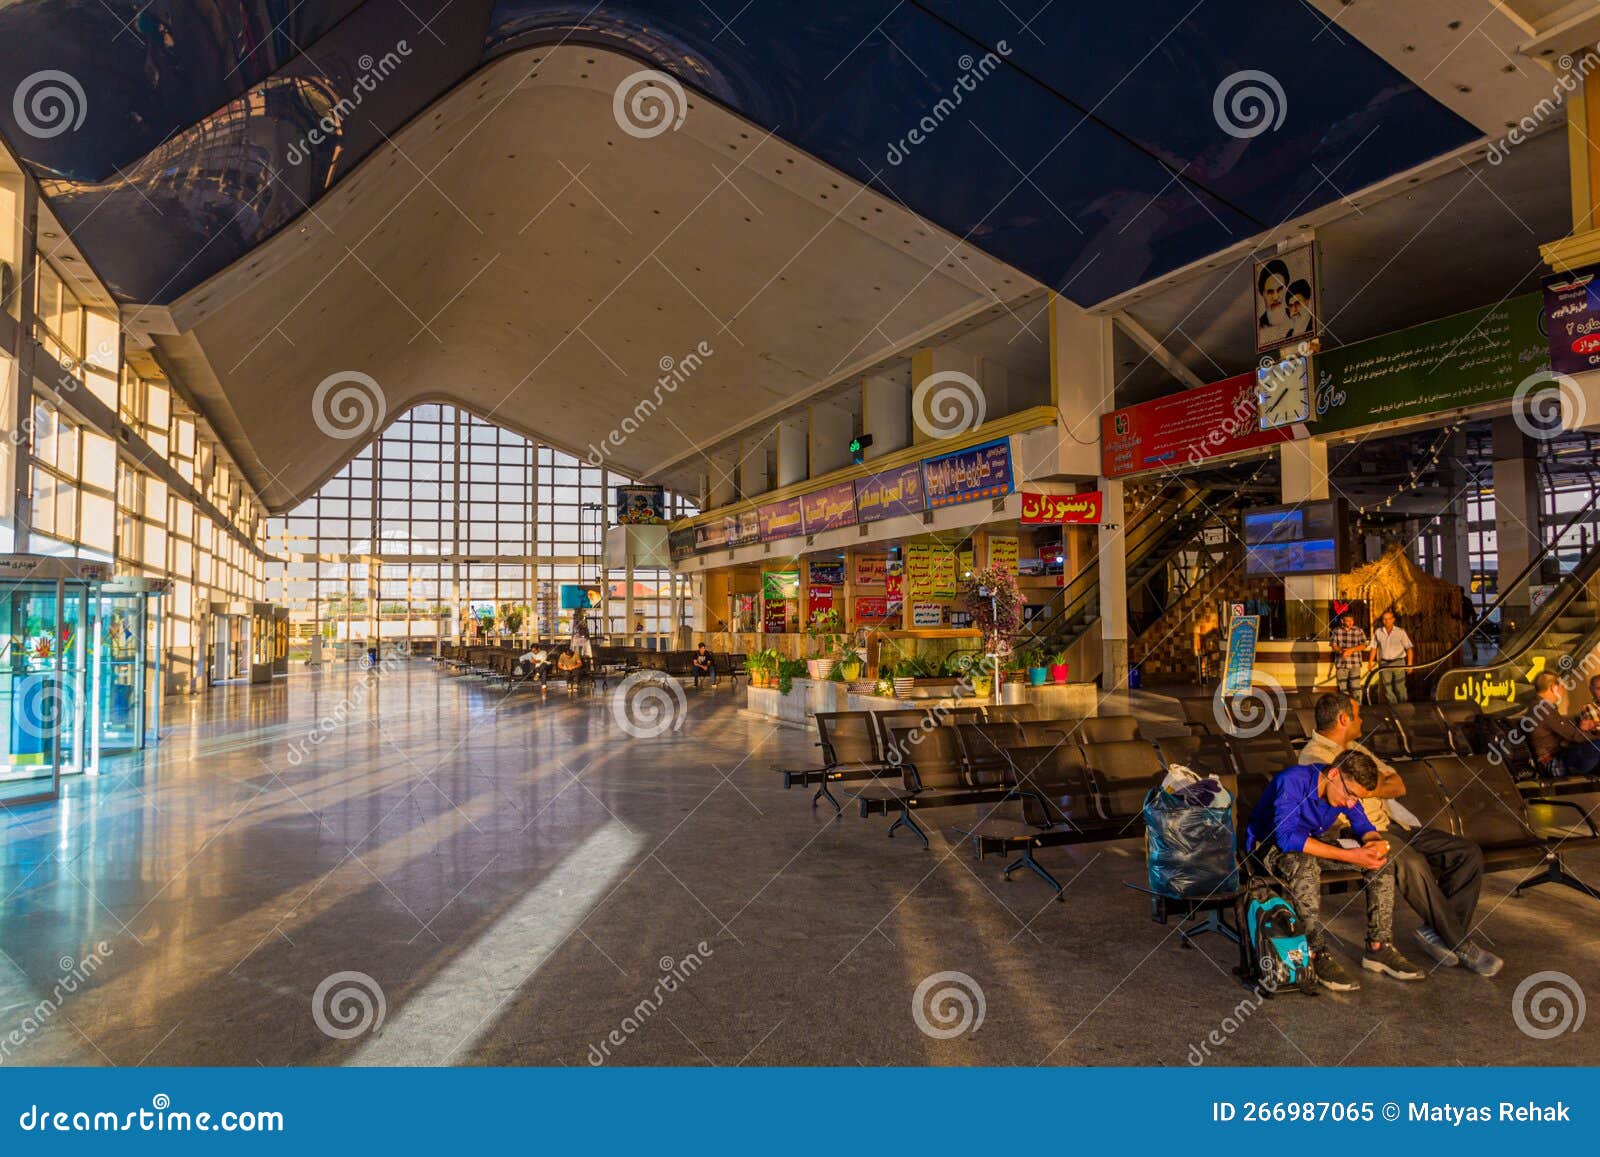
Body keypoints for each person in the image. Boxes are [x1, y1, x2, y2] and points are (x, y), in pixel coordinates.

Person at [1300, 694, 1500, 976]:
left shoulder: (1355, 747)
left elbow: (1399, 784)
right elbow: (1351, 802)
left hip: (1393, 825)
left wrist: (1368, 786)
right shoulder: (1314, 757)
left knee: (1466, 853)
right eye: (1357, 716)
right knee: (1412, 863)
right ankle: (1461, 945)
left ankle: (1438, 933)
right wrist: (1378, 784)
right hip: (1358, 832)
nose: (1361, 721)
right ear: (1344, 719)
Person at [1245, 749, 1422, 991]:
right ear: (1334, 774)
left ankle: (1378, 947)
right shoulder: (1293, 781)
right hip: (1268, 847)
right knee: (1304, 865)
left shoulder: (1343, 790)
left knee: (1381, 862)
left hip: (1310, 843)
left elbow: (1363, 825)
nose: (1350, 803)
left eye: (1356, 798)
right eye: (1350, 795)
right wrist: (1350, 855)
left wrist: (1373, 843)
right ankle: (1315, 953)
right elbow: (1286, 839)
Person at [1528, 669, 1600, 777]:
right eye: (1562, 686)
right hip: (1555, 764)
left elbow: (1568, 733)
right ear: (1554, 688)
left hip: (1563, 756)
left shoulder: (1539, 707)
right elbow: (1573, 735)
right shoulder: (1543, 710)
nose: (1564, 690)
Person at [1370, 610, 1414, 704]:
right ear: (1382, 620)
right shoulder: (1378, 632)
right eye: (1385, 619)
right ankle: (1394, 707)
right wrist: (1370, 662)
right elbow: (1373, 647)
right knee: (1387, 687)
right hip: (1385, 663)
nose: (1387, 621)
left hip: (1398, 662)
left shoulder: (1400, 632)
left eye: (1389, 619)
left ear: (1393, 620)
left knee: (1400, 686)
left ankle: (1403, 706)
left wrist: (1409, 664)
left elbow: (1409, 648)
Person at [1330, 611, 1369, 700]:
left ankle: (1358, 707)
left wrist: (1351, 650)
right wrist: (1342, 651)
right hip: (1341, 663)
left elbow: (1364, 645)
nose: (1350, 622)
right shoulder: (1336, 631)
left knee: (1356, 687)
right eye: (1348, 621)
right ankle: (1346, 707)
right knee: (1342, 688)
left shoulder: (1358, 630)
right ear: (1342, 621)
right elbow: (1333, 645)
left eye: (1352, 620)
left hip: (1355, 663)